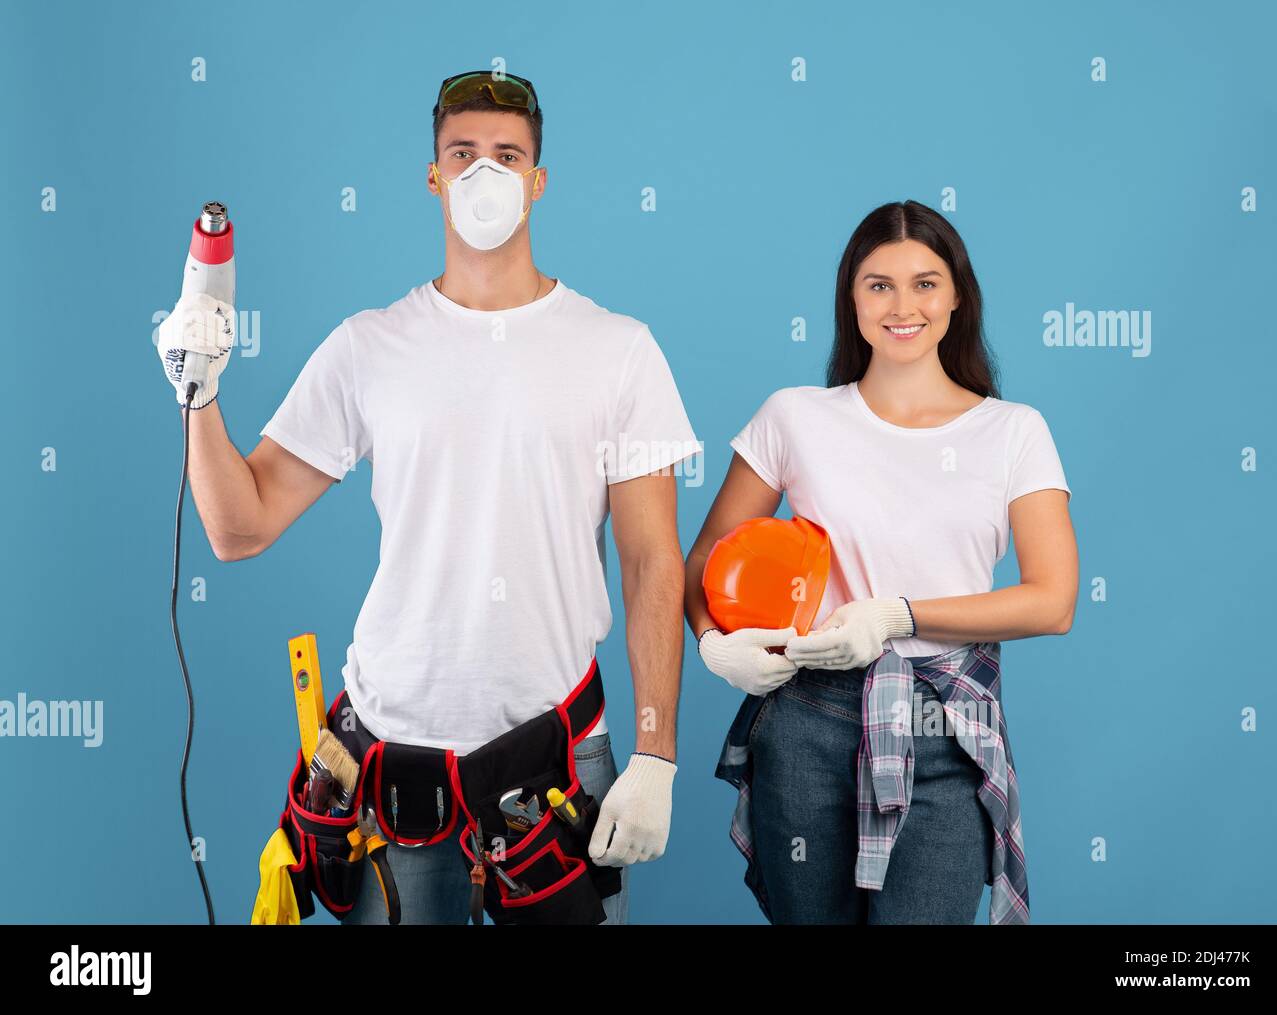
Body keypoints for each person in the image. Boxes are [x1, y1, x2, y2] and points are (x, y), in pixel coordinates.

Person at [157, 70, 701, 924]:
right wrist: (200, 392)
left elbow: (650, 561)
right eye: (463, 153)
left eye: (507, 156)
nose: (485, 173)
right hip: (388, 766)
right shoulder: (370, 346)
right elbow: (238, 526)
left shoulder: (618, 350)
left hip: (556, 766)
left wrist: (657, 751)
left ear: (538, 180)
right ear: (434, 175)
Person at [684, 200, 1077, 925]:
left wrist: (898, 615)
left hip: (944, 724)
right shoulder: (795, 416)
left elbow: (1052, 600)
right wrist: (713, 643)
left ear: (957, 296)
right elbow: (706, 554)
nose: (903, 307)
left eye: (925, 283)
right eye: (879, 285)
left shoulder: (1013, 432)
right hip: (807, 719)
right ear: (852, 299)